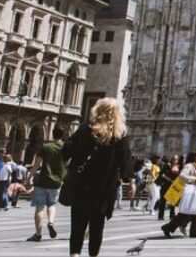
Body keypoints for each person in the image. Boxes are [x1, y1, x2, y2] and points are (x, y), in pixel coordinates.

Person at [63, 97, 133, 257]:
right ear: (116, 114)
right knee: (97, 227)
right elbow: (125, 161)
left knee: (78, 226)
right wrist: (131, 181)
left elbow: (66, 151)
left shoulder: (85, 130)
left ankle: (75, 254)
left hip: (82, 185)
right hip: (104, 188)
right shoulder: (120, 135)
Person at [27, 126, 66, 242]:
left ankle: (38, 234)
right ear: (63, 135)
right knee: (52, 204)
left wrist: (29, 177)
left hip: (42, 180)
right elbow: (67, 163)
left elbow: (36, 164)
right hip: (56, 181)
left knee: (39, 207)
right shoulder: (64, 148)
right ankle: (50, 222)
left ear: (52, 134)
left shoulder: (45, 146)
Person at [161, 153, 196, 239]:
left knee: (195, 212)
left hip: (193, 192)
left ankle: (194, 232)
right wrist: (195, 179)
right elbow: (182, 176)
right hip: (188, 192)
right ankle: (167, 227)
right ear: (194, 158)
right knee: (185, 213)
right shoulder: (189, 166)